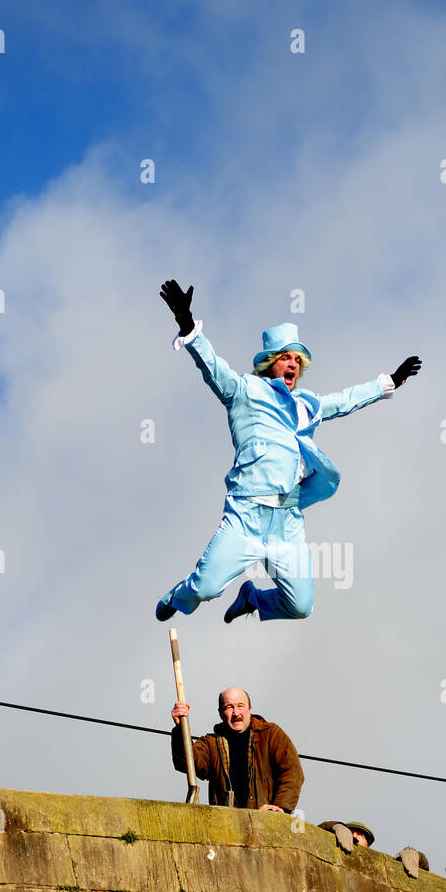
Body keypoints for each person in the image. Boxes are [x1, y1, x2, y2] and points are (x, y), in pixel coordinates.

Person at [155, 279, 421, 624]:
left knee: (300, 607)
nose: (293, 363)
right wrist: (188, 327)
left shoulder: (306, 405)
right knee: (206, 587)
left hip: (287, 522)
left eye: (298, 359)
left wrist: (388, 383)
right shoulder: (244, 390)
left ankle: (252, 598)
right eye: (286, 357)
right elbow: (213, 369)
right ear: (270, 364)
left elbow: (344, 401)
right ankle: (178, 595)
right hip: (246, 515)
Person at [171, 687, 303, 811]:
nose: (236, 713)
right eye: (229, 707)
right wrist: (180, 727)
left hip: (266, 825)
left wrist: (279, 808)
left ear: (249, 709)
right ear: (221, 713)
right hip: (225, 827)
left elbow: (292, 773)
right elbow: (187, 763)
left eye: (240, 706)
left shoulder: (271, 734)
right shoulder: (211, 744)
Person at [318, 820, 429, 876]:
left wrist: (415, 854)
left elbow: (422, 875)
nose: (354, 836)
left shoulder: (378, 864)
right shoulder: (333, 848)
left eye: (360, 835)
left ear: (367, 843)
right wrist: (335, 825)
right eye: (351, 832)